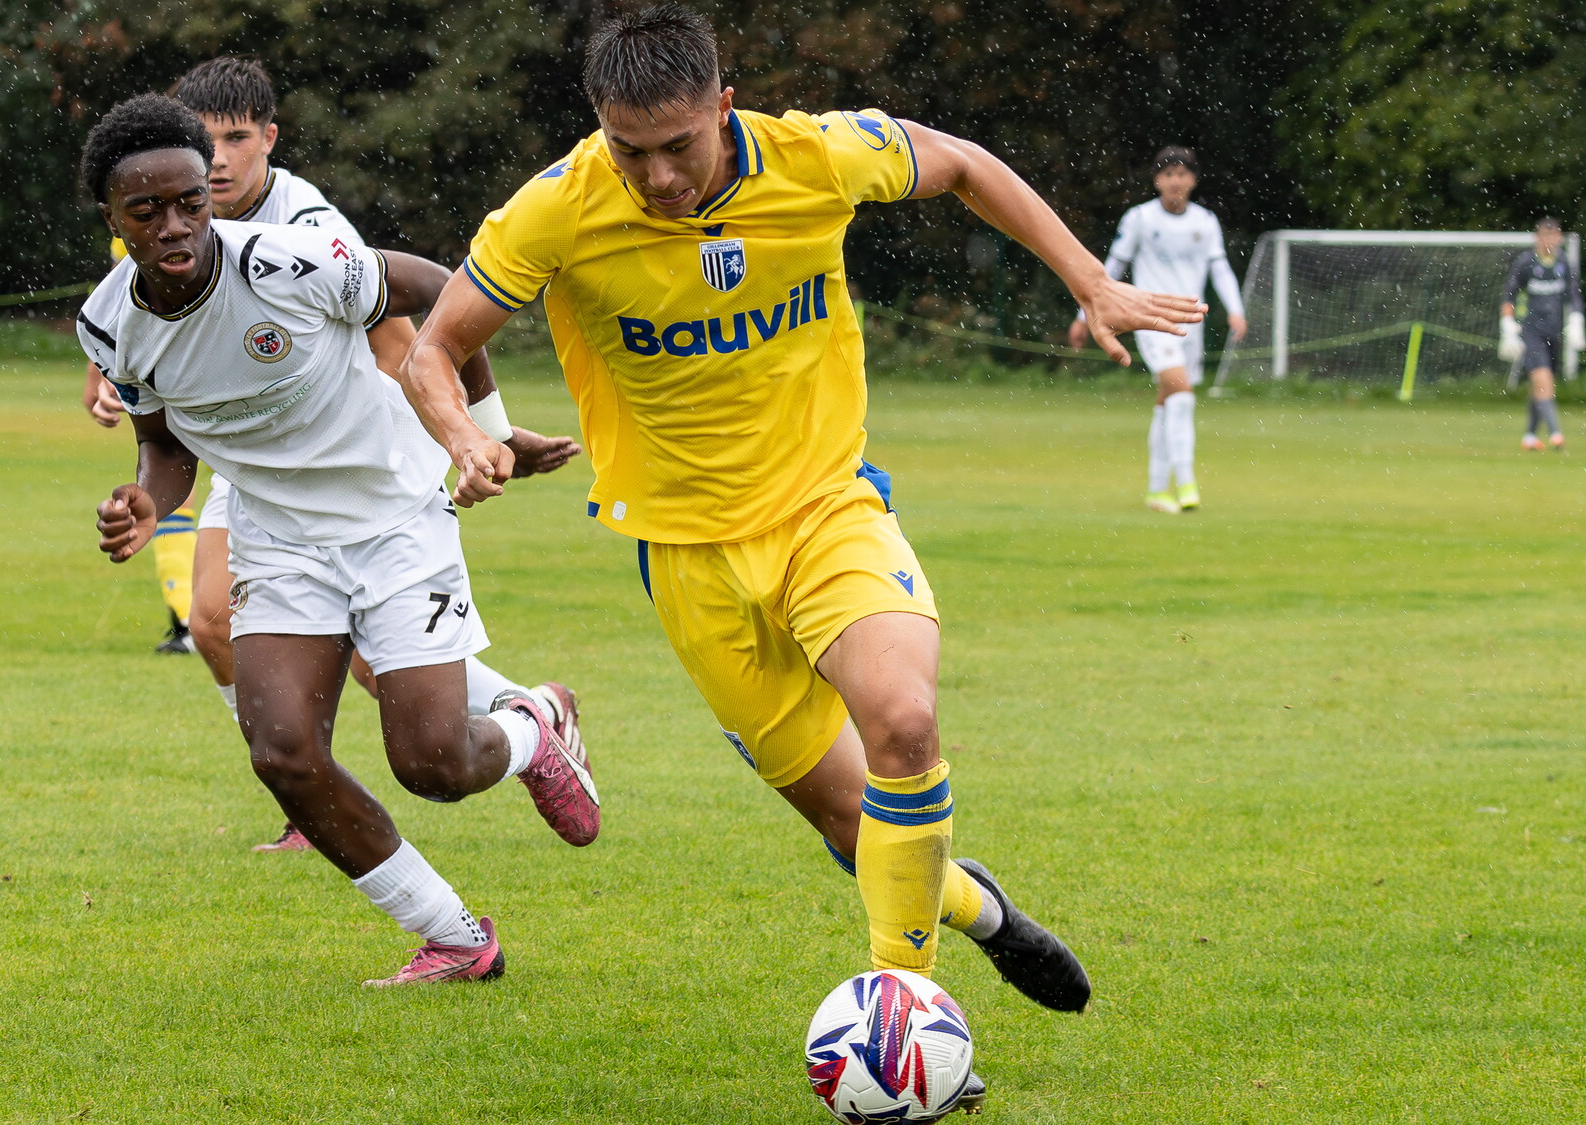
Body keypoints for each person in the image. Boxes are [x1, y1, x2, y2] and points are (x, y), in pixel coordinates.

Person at [402, 2, 1202, 1044]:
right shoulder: (554, 209)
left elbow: (958, 163)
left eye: (677, 146)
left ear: (722, 106)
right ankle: (976, 907)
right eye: (627, 151)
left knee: (903, 725)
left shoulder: (817, 155)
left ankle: (902, 1013)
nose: (656, 177)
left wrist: (1088, 281)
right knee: (852, 826)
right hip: (684, 555)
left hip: (827, 507)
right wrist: (465, 436)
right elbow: (431, 350)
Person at [79, 94, 600, 985]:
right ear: (111, 217)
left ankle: (532, 726)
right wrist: (143, 499)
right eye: (146, 211)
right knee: (282, 752)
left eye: (191, 202)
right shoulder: (109, 324)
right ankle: (455, 936)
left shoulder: (294, 260)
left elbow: (440, 290)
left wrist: (489, 431)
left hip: (392, 517)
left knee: (434, 763)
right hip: (276, 537)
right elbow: (166, 444)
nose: (175, 226)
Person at [1067, 146, 1245, 514]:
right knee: (1181, 394)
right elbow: (1112, 266)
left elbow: (1220, 267)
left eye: (1182, 174)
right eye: (1168, 174)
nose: (1175, 181)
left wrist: (1236, 311)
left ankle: (1155, 490)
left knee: (1169, 402)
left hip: (1190, 322)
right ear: (1157, 181)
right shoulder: (1140, 219)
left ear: (1193, 180)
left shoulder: (1205, 222)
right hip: (1150, 320)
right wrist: (1084, 313)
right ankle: (1186, 482)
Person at [1498, 217, 1583, 451]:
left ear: (1559, 238)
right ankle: (1555, 433)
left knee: (1541, 386)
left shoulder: (1564, 263)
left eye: (1553, 235)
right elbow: (1509, 296)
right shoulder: (1525, 263)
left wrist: (1576, 319)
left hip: (1554, 333)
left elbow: (1573, 295)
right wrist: (1507, 326)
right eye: (1544, 235)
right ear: (1537, 237)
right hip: (1531, 331)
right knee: (1543, 382)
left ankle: (1529, 436)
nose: (1549, 240)